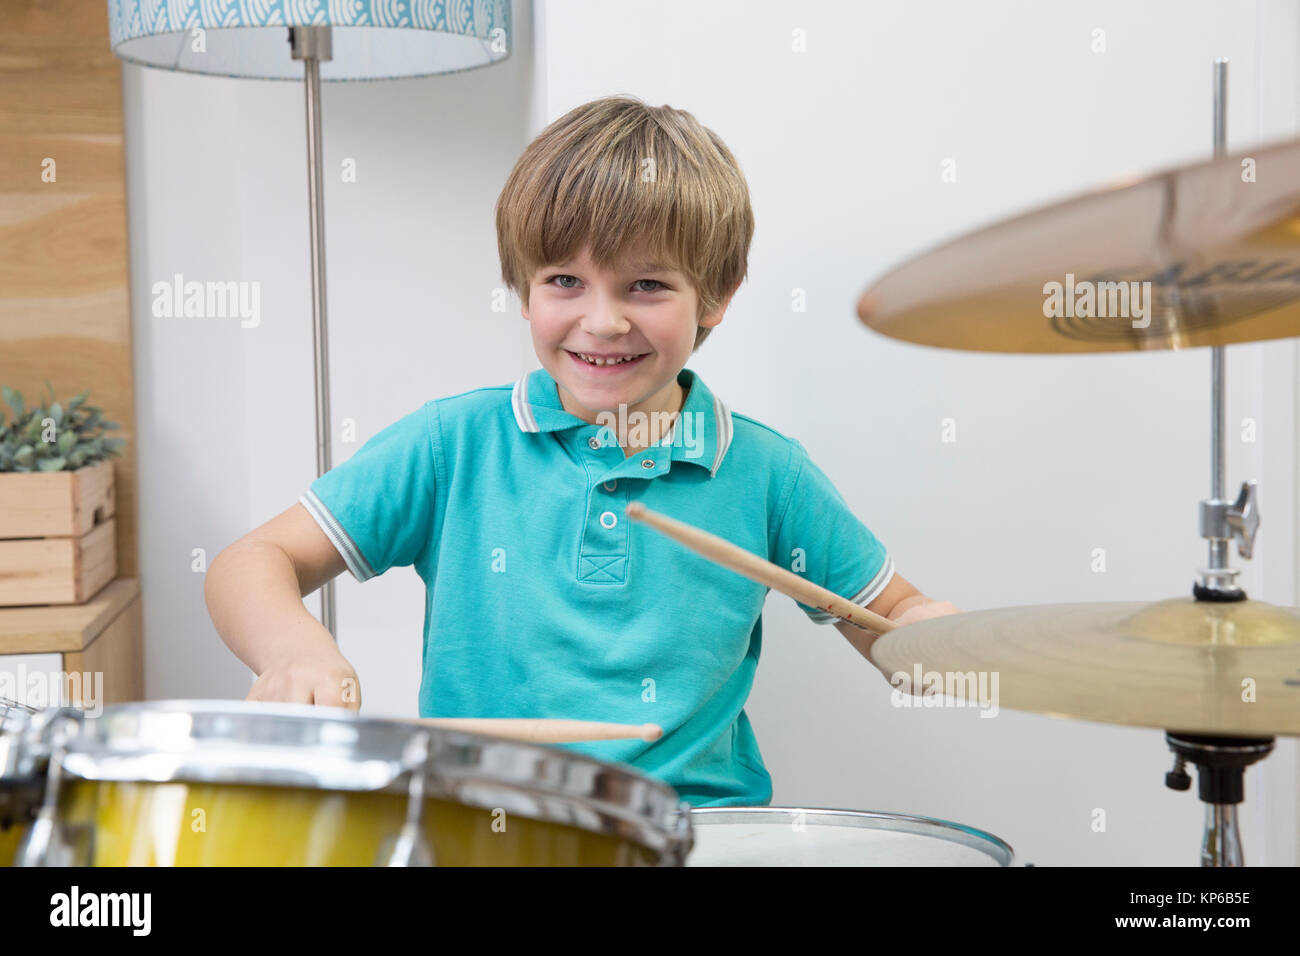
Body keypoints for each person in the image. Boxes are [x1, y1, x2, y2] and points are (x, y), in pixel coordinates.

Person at [204, 95, 959, 807]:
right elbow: (251, 562)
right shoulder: (451, 446)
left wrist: (934, 641)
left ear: (718, 293)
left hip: (699, 831)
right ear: (523, 288)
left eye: (646, 286)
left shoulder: (767, 475)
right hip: (488, 824)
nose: (601, 321)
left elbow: (886, 614)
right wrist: (295, 651)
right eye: (565, 280)